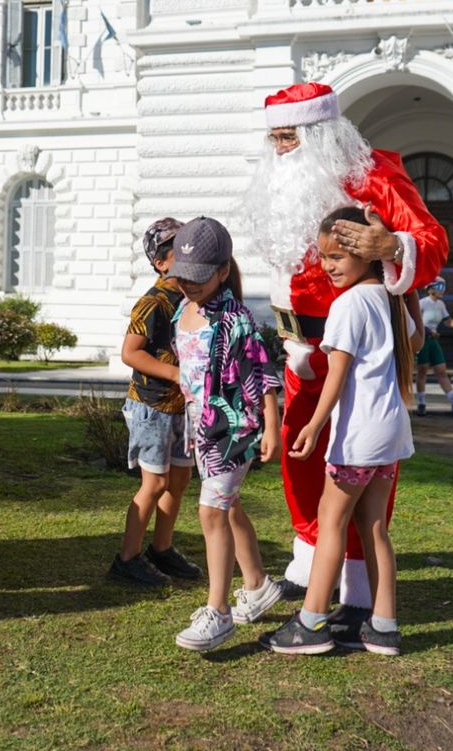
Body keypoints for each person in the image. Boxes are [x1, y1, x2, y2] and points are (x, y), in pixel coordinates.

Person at [243, 81, 447, 646]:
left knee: (352, 467)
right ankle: (313, 569)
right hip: (297, 352)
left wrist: (391, 248)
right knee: (301, 462)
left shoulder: (373, 176)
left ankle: (354, 597)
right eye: (274, 138)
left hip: (355, 356)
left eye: (290, 137)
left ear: (320, 135)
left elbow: (431, 242)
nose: (280, 149)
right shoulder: (279, 184)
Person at [264, 207, 414, 655]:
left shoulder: (348, 304)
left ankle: (311, 623)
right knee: (374, 528)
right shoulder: (387, 296)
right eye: (324, 256)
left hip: (358, 439)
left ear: (367, 254)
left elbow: (336, 373)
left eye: (338, 256)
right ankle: (383, 625)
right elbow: (417, 341)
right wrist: (405, 286)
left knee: (330, 522)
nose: (328, 266)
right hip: (389, 436)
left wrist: (312, 424)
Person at [166, 217, 284, 652]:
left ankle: (218, 613)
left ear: (222, 271)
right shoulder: (185, 309)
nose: (189, 285)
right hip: (203, 424)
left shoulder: (236, 319)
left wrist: (272, 426)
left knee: (211, 512)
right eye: (183, 275)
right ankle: (256, 585)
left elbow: (262, 374)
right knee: (229, 508)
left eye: (198, 278)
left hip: (234, 426)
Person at [109, 218, 201, 586]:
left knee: (179, 479)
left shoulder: (192, 298)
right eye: (180, 251)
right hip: (152, 406)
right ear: (161, 262)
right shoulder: (153, 303)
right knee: (156, 483)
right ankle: (126, 559)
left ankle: (161, 549)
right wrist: (176, 374)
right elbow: (131, 353)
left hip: (181, 406)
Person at [416, 277, 453, 417]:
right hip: (424, 340)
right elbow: (414, 322)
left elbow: (448, 322)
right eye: (440, 287)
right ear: (431, 288)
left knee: (441, 371)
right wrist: (428, 331)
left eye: (443, 287)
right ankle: (421, 403)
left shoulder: (440, 304)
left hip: (434, 341)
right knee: (422, 371)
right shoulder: (422, 303)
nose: (443, 290)